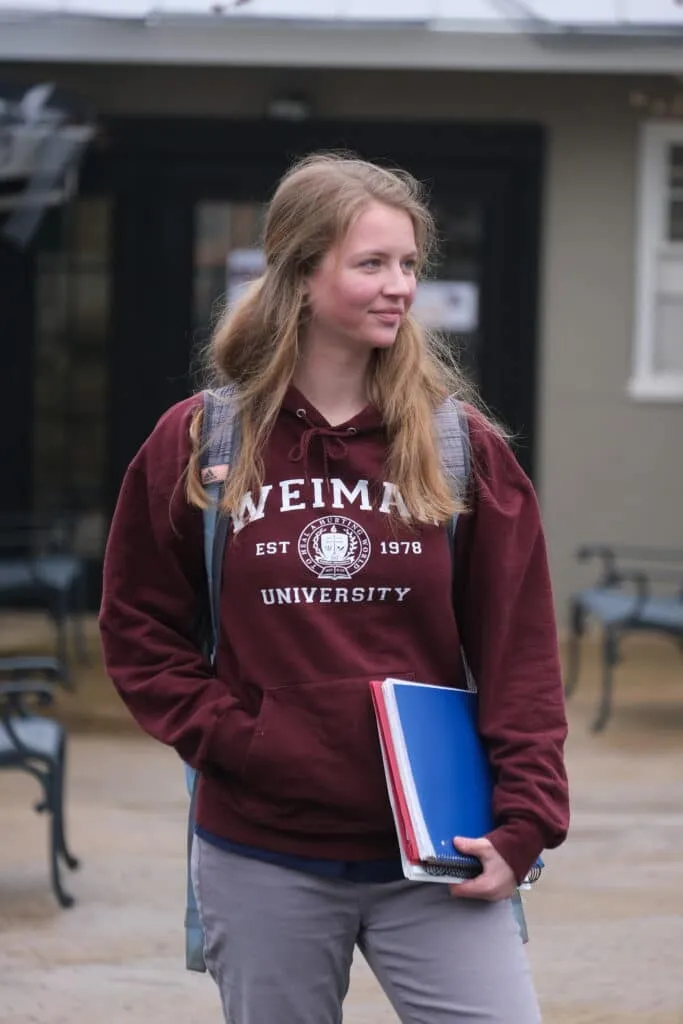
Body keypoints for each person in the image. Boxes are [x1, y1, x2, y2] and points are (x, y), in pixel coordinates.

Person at [99, 153, 570, 1024]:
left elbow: (522, 653)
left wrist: (526, 819)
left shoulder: (459, 448)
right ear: (299, 273)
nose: (399, 287)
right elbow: (138, 628)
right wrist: (242, 739)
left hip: (439, 853)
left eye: (409, 266)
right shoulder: (201, 441)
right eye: (371, 264)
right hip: (262, 851)